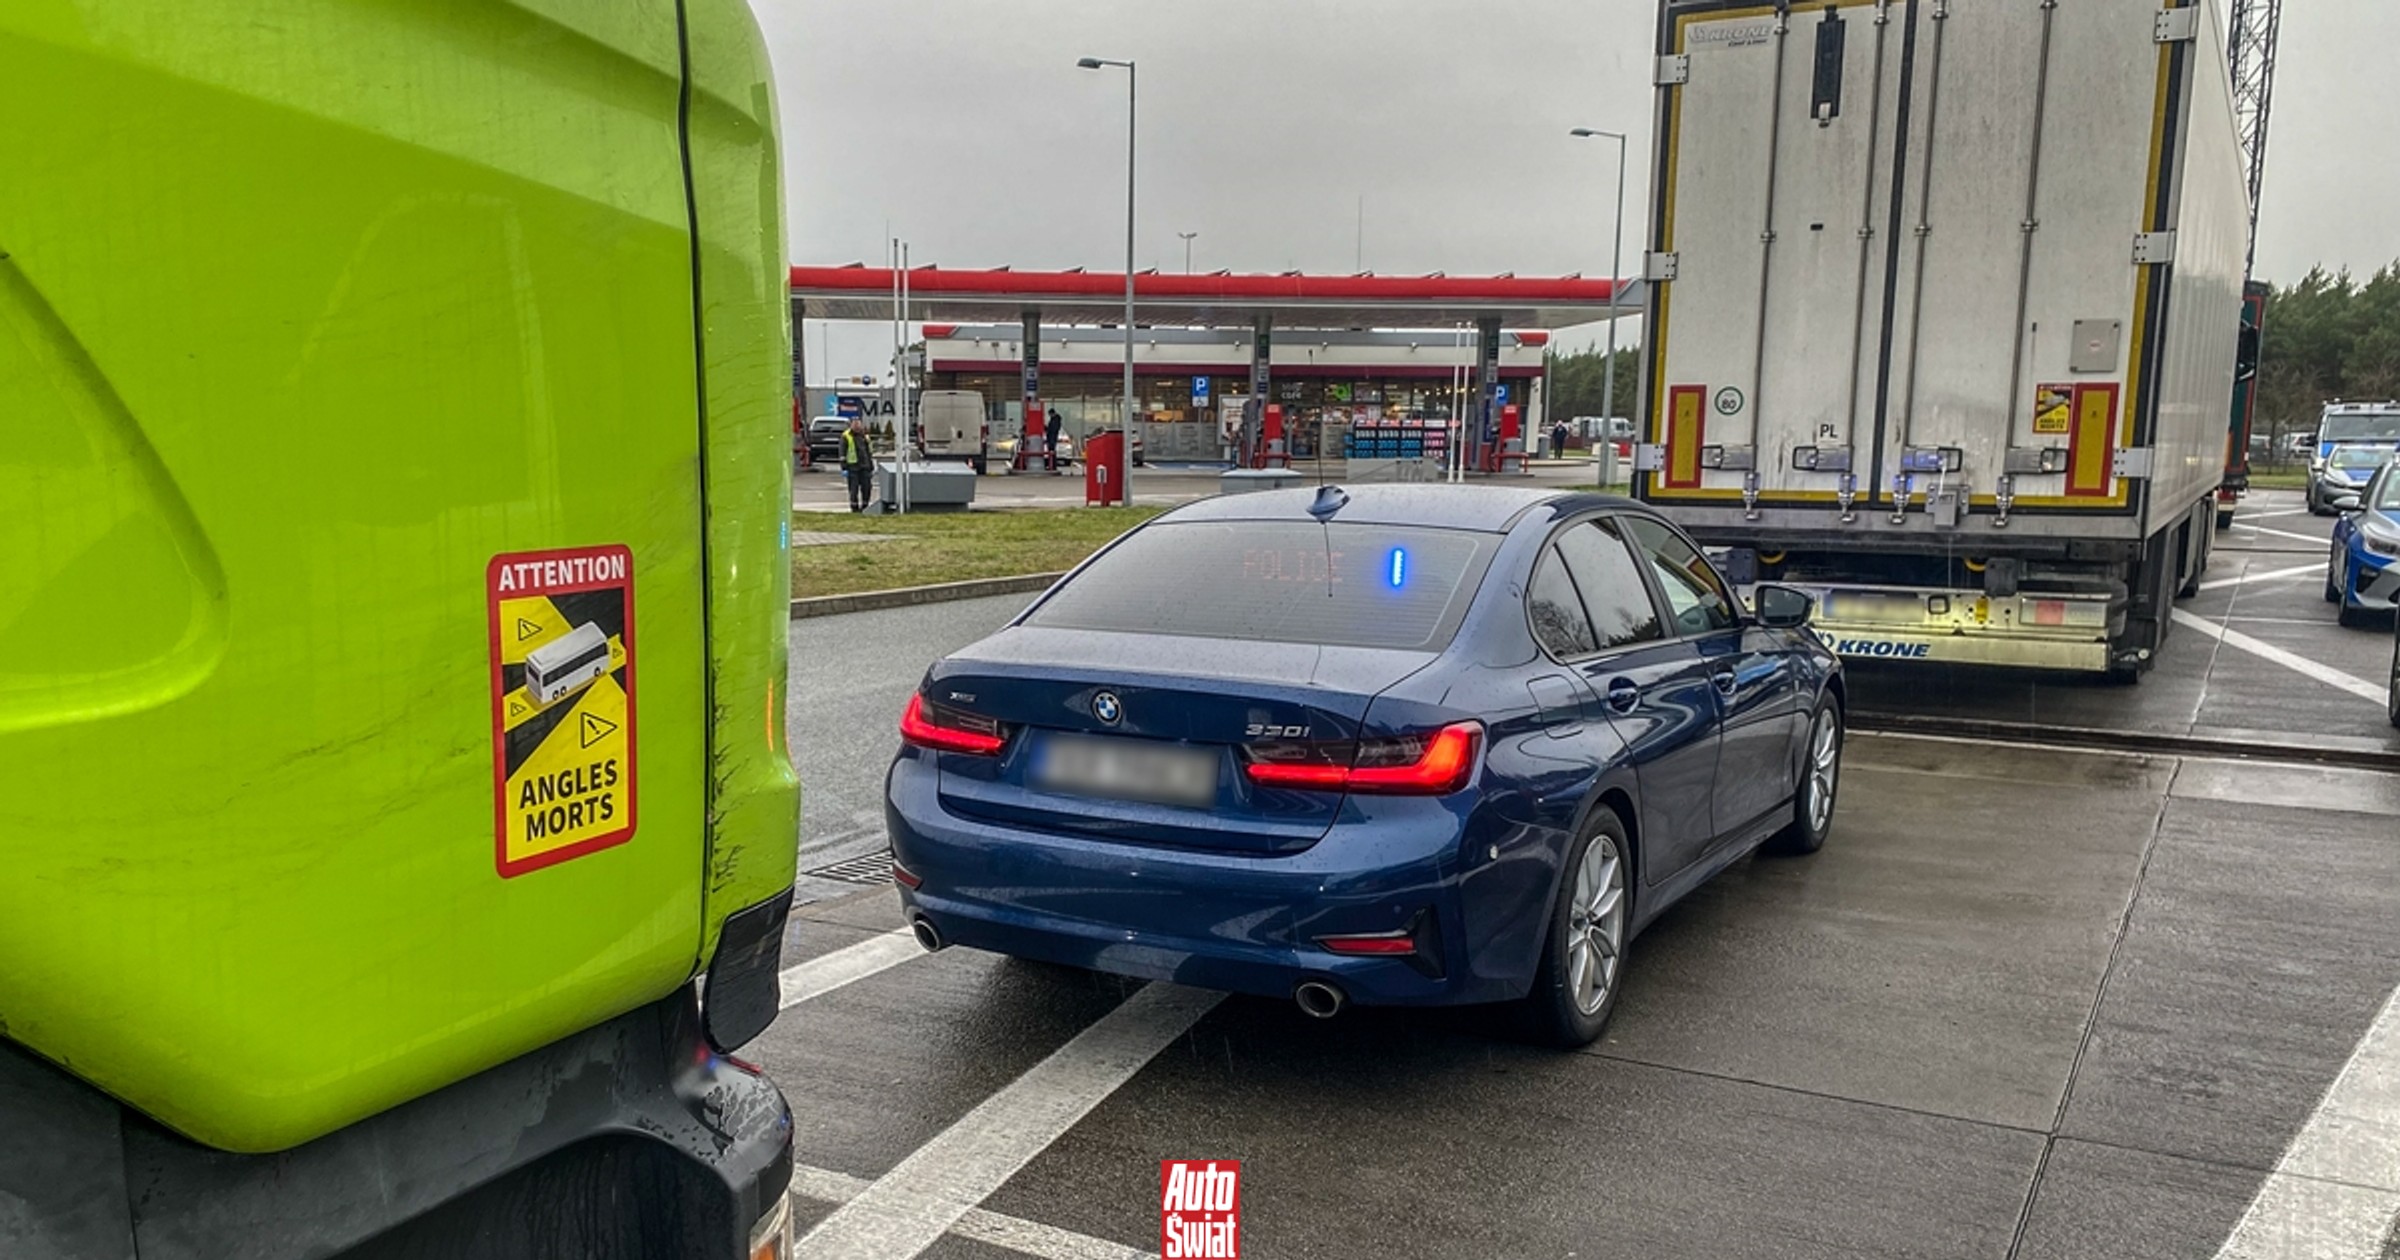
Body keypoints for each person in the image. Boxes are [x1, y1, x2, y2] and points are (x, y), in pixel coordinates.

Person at [840, 416, 875, 512]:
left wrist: (871, 466)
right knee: (853, 489)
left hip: (865, 466)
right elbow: (842, 453)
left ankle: (865, 506)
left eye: (858, 423)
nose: (857, 426)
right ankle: (854, 507)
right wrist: (844, 467)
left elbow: (869, 452)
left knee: (867, 488)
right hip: (852, 467)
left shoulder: (865, 436)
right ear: (850, 425)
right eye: (854, 424)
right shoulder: (846, 436)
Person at [1044, 405, 1064, 473]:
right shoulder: (1055, 420)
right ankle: (1052, 465)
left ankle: (1052, 465)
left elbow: (1053, 430)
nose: (1049, 416)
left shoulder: (1055, 420)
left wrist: (1047, 430)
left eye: (1050, 414)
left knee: (1052, 452)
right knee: (1052, 452)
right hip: (1052, 438)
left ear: (1052, 413)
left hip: (1052, 438)